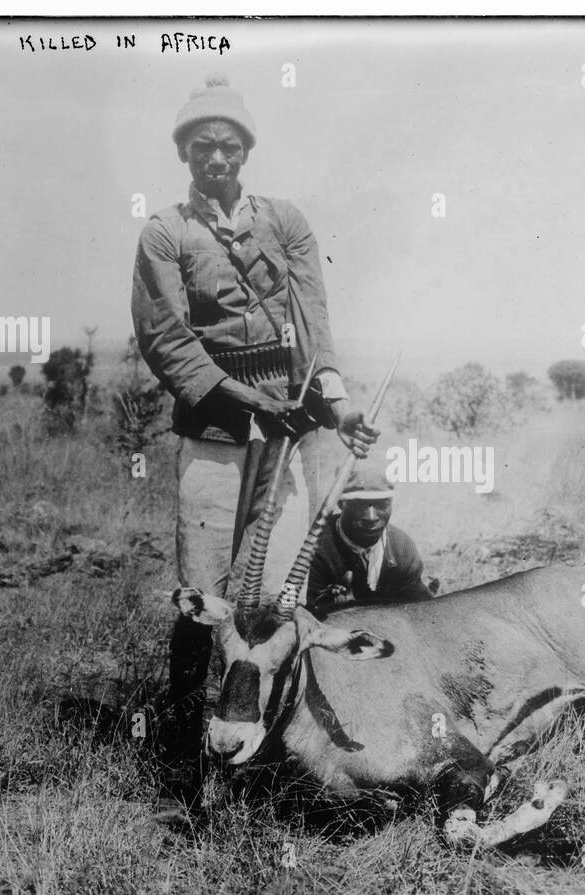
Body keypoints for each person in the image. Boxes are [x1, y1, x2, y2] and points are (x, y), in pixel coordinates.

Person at [131, 76, 378, 814]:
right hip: (214, 431)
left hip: (285, 431)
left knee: (274, 598)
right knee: (203, 600)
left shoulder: (287, 221)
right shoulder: (165, 233)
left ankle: (269, 741)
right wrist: (250, 403)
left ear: (246, 151)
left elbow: (314, 324)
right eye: (201, 145)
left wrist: (337, 406)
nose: (216, 156)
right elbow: (166, 338)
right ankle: (184, 748)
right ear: (184, 153)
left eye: (229, 145)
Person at [306, 465, 433, 617]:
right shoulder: (314, 547)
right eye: (360, 505)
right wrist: (329, 609)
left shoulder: (402, 548)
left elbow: (422, 613)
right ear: (340, 503)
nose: (371, 517)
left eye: (382, 505)